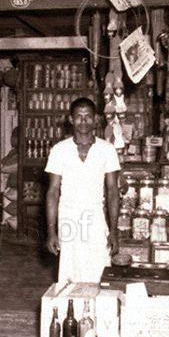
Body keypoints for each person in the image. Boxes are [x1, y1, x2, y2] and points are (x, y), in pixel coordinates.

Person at [45, 97, 120, 283]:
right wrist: (51, 231)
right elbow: (53, 192)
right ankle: (72, 311)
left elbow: (112, 191)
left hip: (95, 218)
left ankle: (97, 311)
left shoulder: (107, 150)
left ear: (96, 119)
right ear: (71, 119)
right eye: (79, 116)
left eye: (88, 116)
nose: (83, 121)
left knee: (99, 270)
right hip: (68, 217)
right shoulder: (59, 150)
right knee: (70, 271)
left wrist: (113, 230)